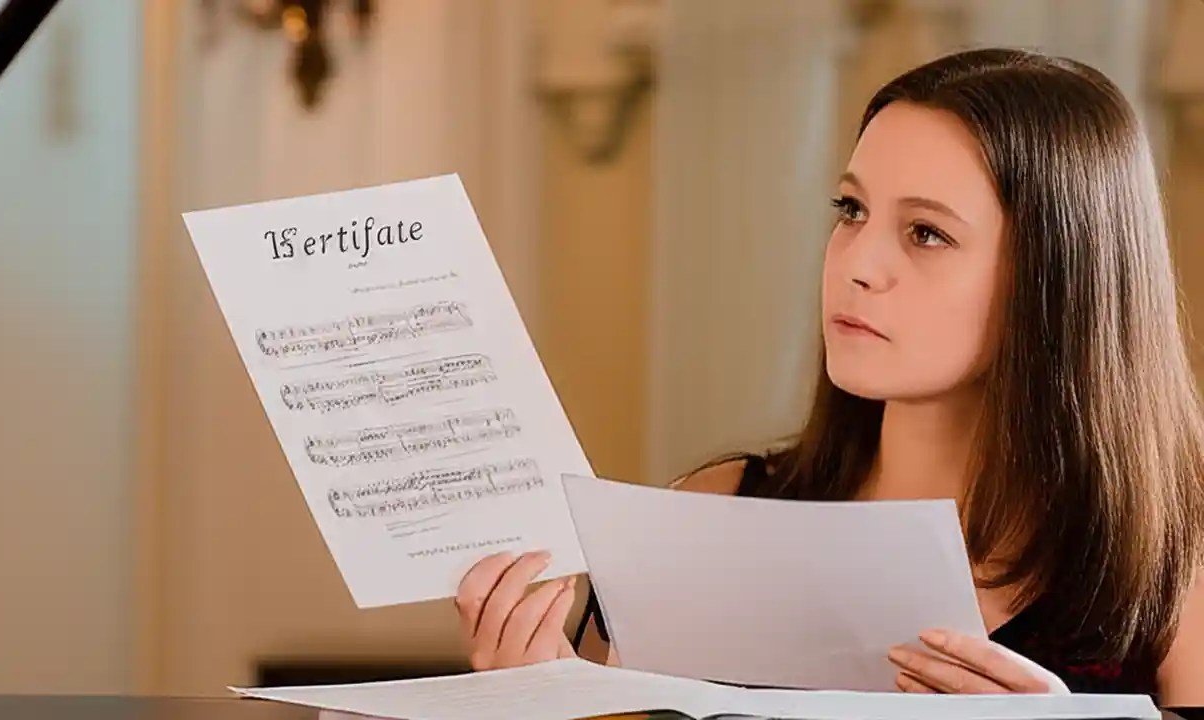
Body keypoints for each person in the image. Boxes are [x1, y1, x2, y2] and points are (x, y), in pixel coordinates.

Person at [453, 47, 1204, 705]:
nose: (856, 264)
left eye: (926, 233)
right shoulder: (715, 513)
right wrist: (537, 701)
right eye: (851, 210)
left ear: (1058, 279)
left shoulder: (1178, 558)